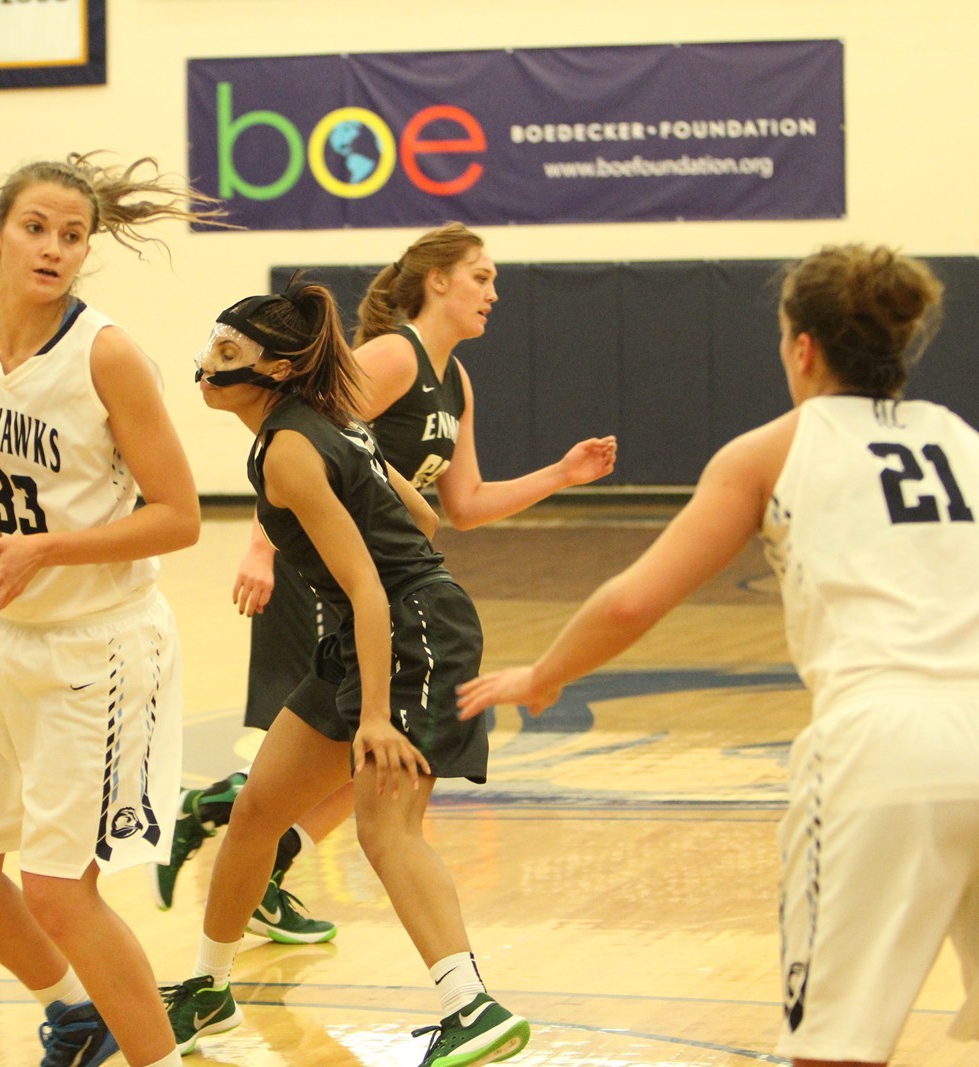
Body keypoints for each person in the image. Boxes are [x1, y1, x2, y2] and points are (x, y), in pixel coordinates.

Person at [456, 244, 979, 1067]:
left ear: (802, 346)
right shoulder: (960, 438)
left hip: (881, 747)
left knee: (835, 1049)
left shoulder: (769, 450)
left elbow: (632, 600)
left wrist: (542, 674)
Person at [153, 224, 618, 943]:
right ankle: (240, 829)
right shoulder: (394, 354)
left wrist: (560, 475)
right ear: (437, 281)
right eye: (482, 277)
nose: (495, 293)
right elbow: (303, 437)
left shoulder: (454, 380)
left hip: (377, 577)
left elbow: (457, 506)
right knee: (352, 759)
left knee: (363, 765)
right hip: (327, 577)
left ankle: (246, 839)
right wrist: (259, 548)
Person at [0, 152, 222, 1067]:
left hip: (97, 649)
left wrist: (45, 549)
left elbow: (178, 516)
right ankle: (76, 1014)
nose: (54, 248)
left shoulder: (107, 355)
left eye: (73, 235)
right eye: (36, 228)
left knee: (63, 891)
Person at [162, 279, 530, 1067]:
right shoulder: (332, 421)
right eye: (213, 349)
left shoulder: (293, 448)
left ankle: (474, 1006)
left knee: (383, 827)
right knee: (258, 808)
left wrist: (372, 716)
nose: (208, 368)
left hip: (409, 631)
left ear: (282, 369)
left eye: (228, 356)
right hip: (375, 633)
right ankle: (209, 986)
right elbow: (424, 518)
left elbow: (369, 586)